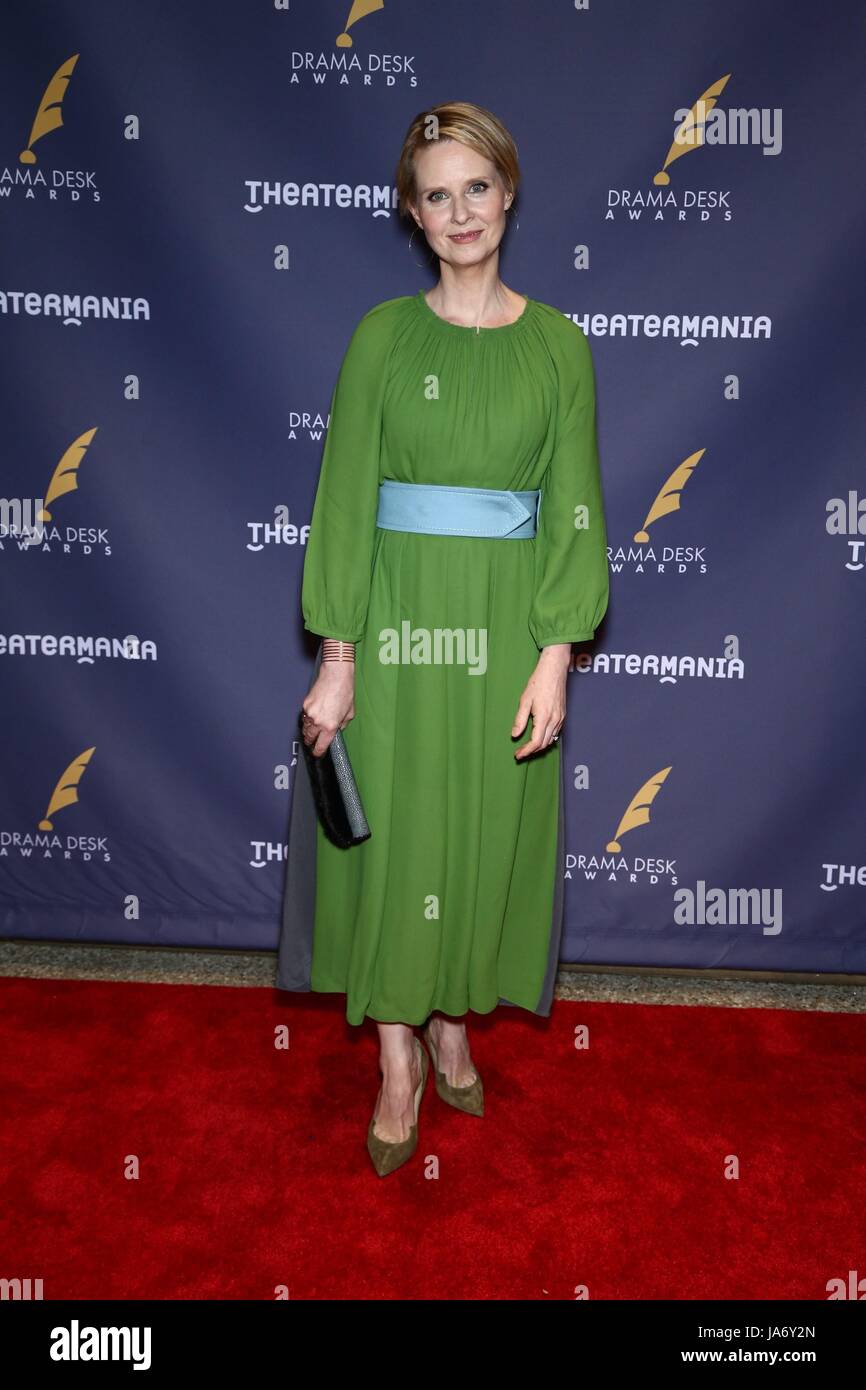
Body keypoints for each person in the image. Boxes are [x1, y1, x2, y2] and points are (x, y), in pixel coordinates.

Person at [277, 100, 609, 1177]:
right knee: (399, 845)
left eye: (476, 186)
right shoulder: (380, 336)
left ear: (507, 191)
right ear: (411, 215)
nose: (459, 211)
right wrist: (338, 660)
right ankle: (395, 1062)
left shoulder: (560, 346)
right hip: (395, 627)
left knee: (480, 840)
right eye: (435, 193)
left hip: (506, 633)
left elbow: (574, 507)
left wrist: (555, 652)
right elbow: (343, 502)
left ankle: (454, 1020)